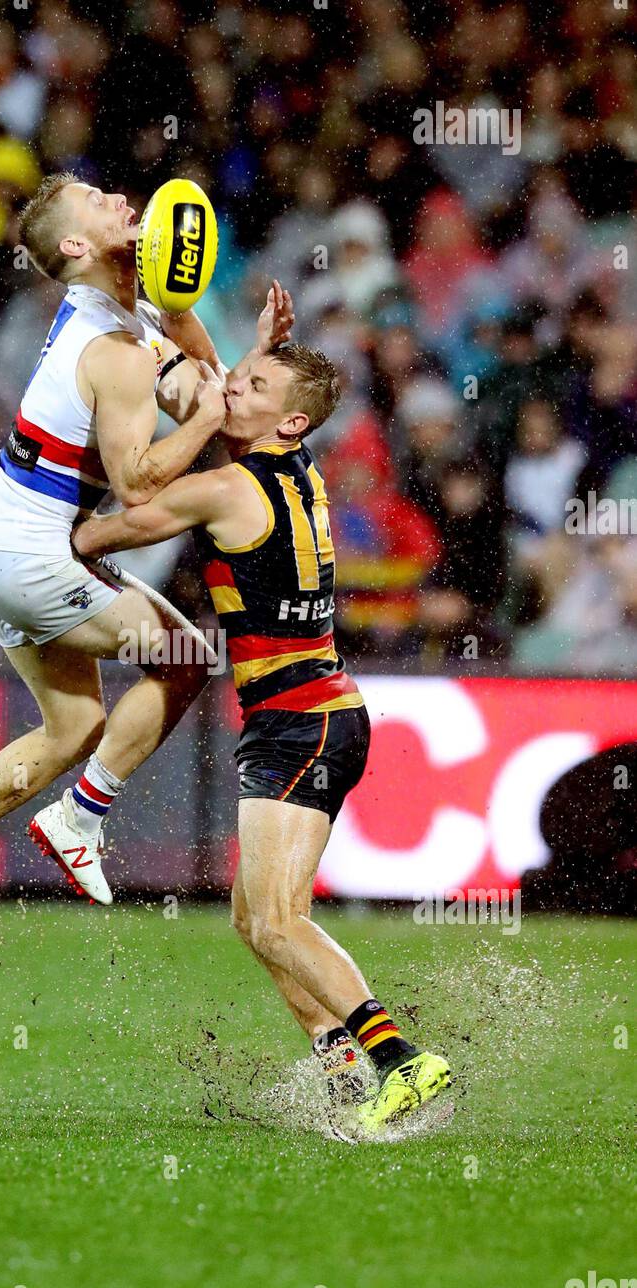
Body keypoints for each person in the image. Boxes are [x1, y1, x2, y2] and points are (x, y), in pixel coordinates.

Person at [0, 174, 293, 961]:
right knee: (182, 660)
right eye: (98, 202)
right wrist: (209, 407)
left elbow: (206, 396)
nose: (119, 200)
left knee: (76, 724)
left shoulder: (118, 317)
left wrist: (236, 352)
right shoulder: (113, 350)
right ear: (75, 246)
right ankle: (78, 817)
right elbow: (140, 480)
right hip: (30, 552)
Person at [73, 340, 452, 1134]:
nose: (224, 389)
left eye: (247, 385)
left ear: (289, 419)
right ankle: (343, 1069)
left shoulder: (224, 489)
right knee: (255, 921)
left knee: (278, 920)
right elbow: (253, 407)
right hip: (308, 715)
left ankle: (400, 1061)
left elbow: (96, 538)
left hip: (301, 725)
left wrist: (35, 511)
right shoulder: (296, 465)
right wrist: (249, 352)